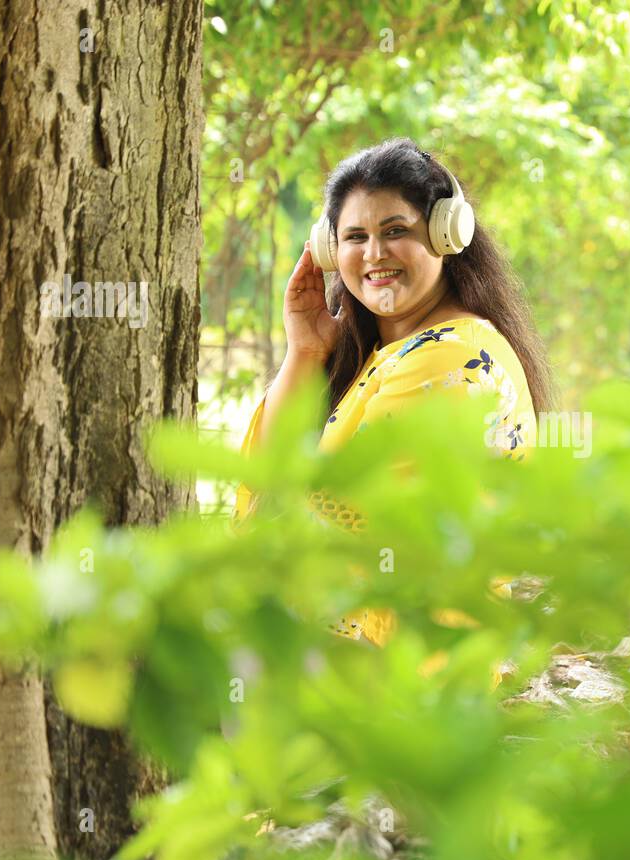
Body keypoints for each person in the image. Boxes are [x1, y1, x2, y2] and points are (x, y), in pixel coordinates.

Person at [233, 138, 556, 650]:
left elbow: (314, 519)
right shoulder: (387, 350)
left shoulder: (451, 356)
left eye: (396, 231)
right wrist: (305, 352)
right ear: (328, 251)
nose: (374, 253)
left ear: (448, 233)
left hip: (398, 681)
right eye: (355, 236)